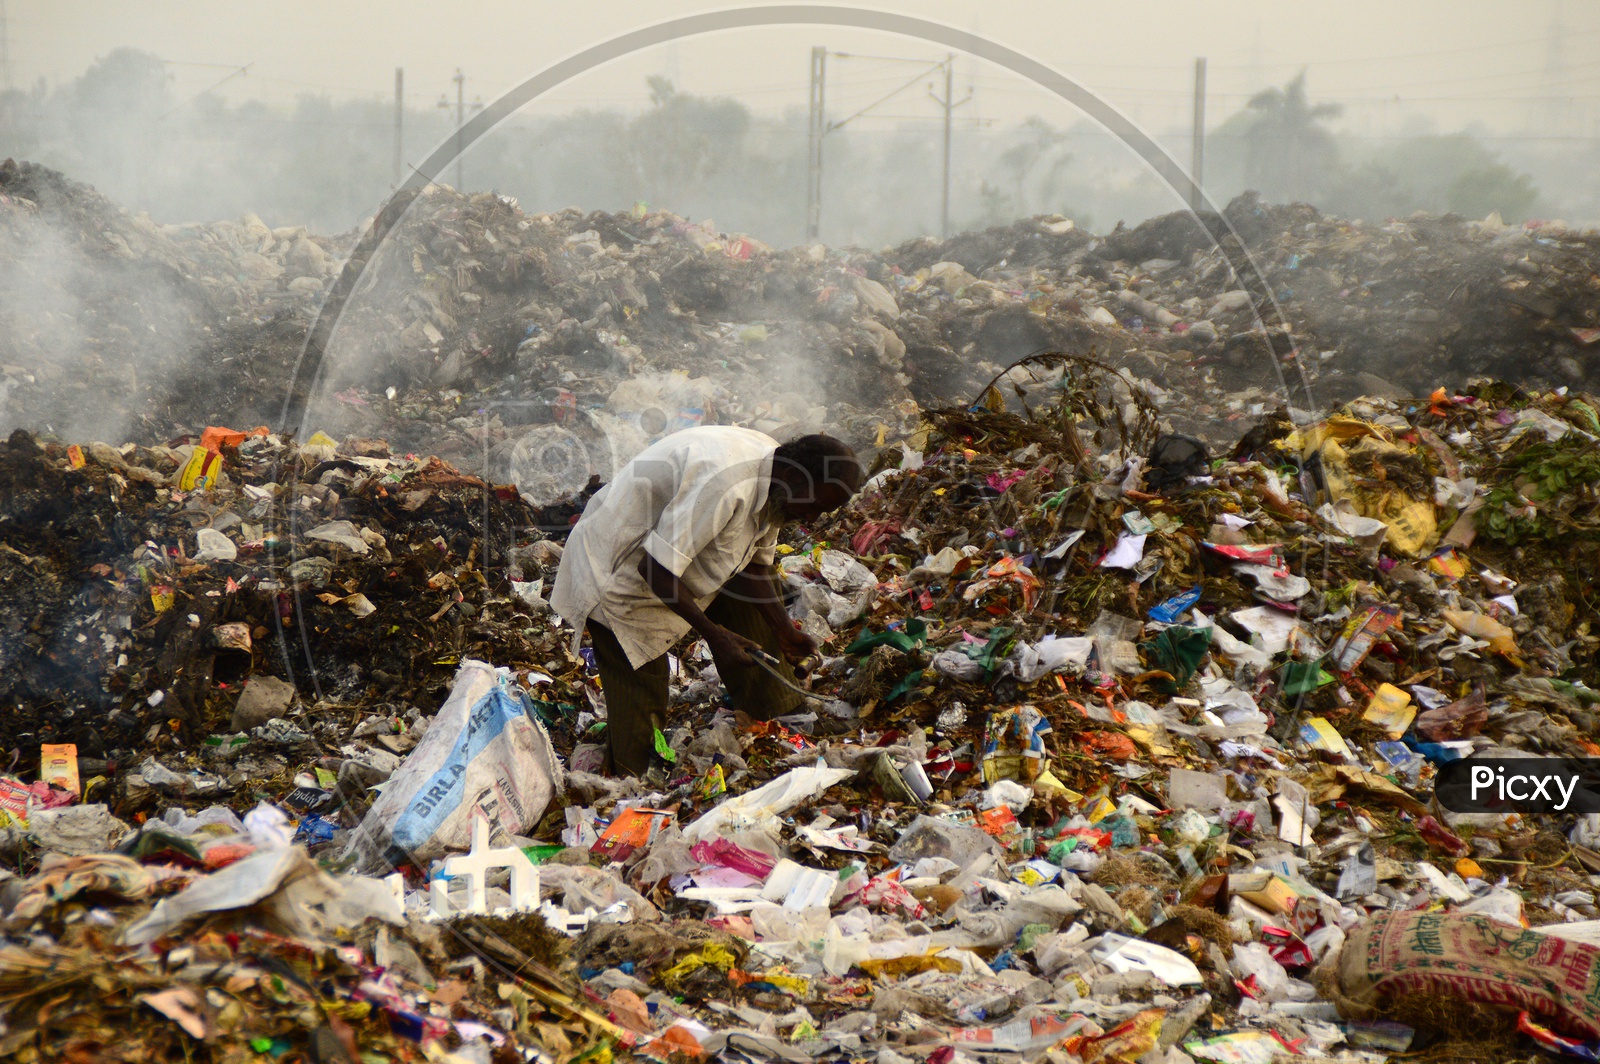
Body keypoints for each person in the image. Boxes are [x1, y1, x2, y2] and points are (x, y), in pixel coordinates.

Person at [551, 427, 863, 776]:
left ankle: (779, 717)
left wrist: (784, 629)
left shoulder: (779, 478)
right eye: (814, 507)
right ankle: (632, 782)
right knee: (639, 714)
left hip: (680, 560)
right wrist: (715, 635)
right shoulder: (722, 484)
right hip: (617, 571)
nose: (812, 520)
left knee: (751, 612)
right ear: (792, 477)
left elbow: (756, 565)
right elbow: (653, 570)